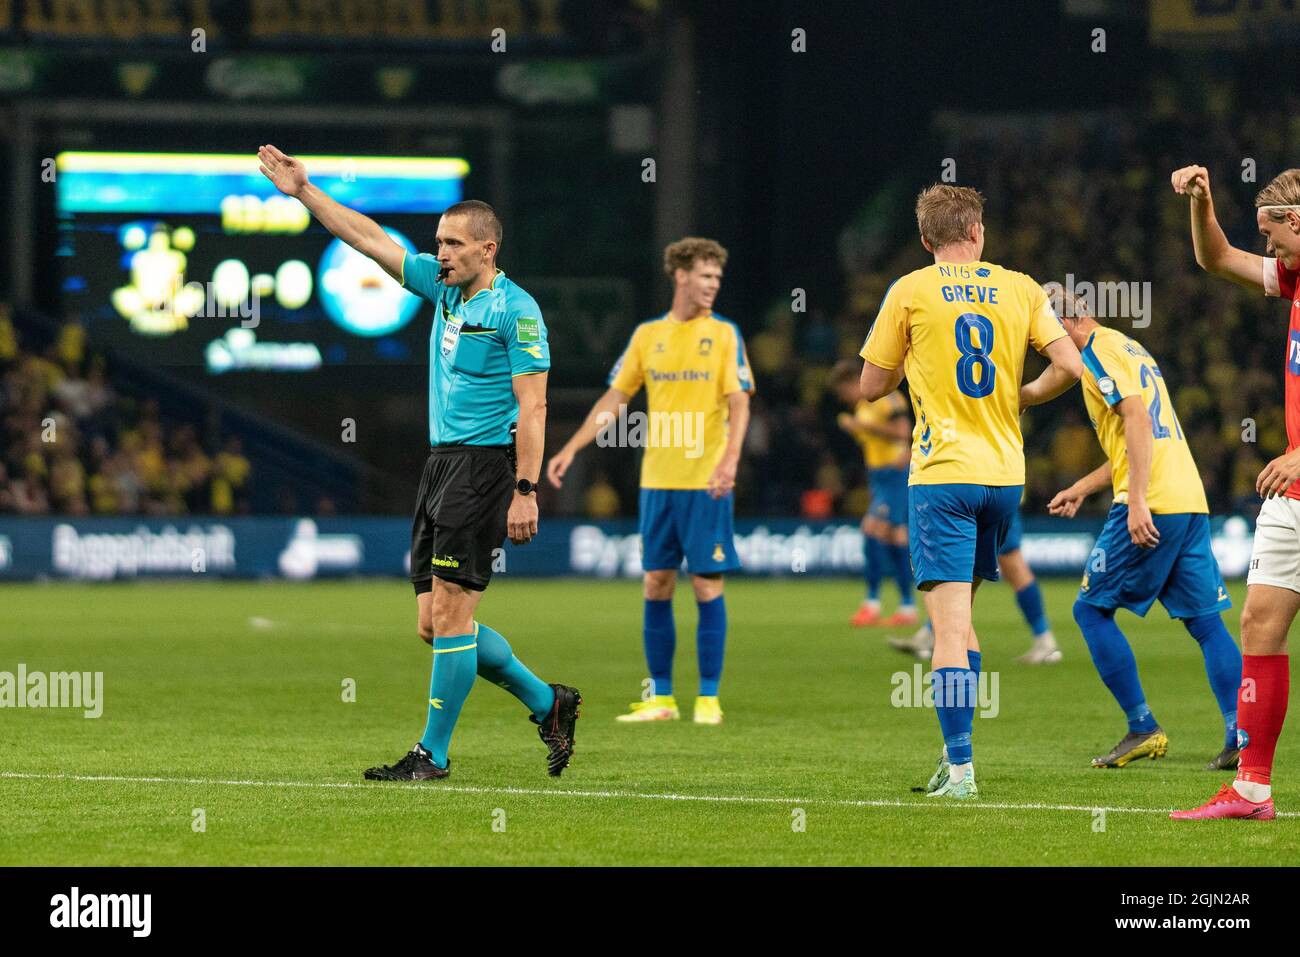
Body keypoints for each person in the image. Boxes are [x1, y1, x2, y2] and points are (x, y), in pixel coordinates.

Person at [258, 144, 581, 781]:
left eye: (455, 244)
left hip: (486, 468)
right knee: (433, 626)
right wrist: (304, 192)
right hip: (439, 467)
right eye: (439, 242)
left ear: (488, 249)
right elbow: (371, 238)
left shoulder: (517, 312)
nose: (442, 253)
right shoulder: (444, 290)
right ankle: (549, 702)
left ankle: (431, 756)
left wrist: (525, 489)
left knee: (454, 612)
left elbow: (535, 406)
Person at [860, 184, 1082, 799]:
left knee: (948, 632)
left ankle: (961, 771)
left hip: (943, 477)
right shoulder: (1020, 286)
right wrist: (1025, 395)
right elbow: (1070, 367)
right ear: (979, 232)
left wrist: (911, 356)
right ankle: (950, 756)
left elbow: (870, 386)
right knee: (962, 622)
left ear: (927, 240)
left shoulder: (909, 290)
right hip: (1005, 479)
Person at [547, 238, 754, 725]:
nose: (712, 286)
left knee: (706, 584)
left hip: (706, 480)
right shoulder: (647, 336)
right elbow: (614, 399)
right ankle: (661, 698)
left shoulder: (725, 334)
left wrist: (730, 460)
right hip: (657, 481)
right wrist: (573, 447)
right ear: (680, 275)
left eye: (717, 278)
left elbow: (740, 401)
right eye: (705, 276)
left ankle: (707, 698)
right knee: (657, 583)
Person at [1047, 290, 1241, 770]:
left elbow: (1135, 419)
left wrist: (1134, 501)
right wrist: (1085, 487)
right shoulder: (1128, 347)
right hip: (1187, 498)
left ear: (1065, 322)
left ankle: (1142, 726)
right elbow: (1135, 437)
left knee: (1090, 611)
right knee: (1205, 623)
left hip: (1152, 499)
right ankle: (1241, 734)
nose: (1046, 349)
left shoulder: (1096, 352)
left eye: (1045, 337)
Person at [1169, 164, 1300, 820]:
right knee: (1258, 624)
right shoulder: (1295, 278)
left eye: (1269, 231)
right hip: (1295, 494)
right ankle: (1252, 789)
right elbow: (1215, 257)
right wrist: (1203, 203)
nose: (1265, 244)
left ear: (1297, 220)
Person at [889, 508, 1062, 665]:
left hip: (981, 488)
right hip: (997, 487)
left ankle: (1044, 639)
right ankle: (929, 633)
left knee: (1010, 564)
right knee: (965, 572)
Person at [828, 359, 918, 628]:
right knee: (896, 535)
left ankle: (873, 603)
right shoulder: (861, 406)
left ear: (854, 381)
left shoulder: (888, 399)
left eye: (844, 391)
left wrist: (861, 427)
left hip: (895, 474)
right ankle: (906, 607)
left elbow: (903, 433)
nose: (844, 397)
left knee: (872, 530)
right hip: (880, 477)